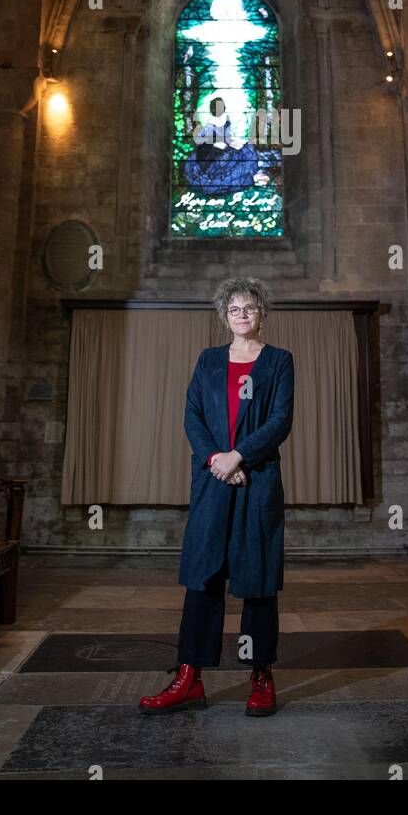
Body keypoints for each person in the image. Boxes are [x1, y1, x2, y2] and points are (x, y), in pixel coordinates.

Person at [139, 277, 294, 717]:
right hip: (212, 481)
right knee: (202, 577)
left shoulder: (279, 361)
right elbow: (192, 415)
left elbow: (280, 420)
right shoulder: (208, 360)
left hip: (257, 480)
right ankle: (189, 677)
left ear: (262, 312)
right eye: (234, 309)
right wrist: (216, 461)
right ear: (224, 316)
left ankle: (260, 675)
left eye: (249, 307)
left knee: (257, 579)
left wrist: (240, 456)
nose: (242, 314)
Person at [183, 96, 260, 194]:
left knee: (248, 148)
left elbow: (227, 136)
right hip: (211, 156)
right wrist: (218, 143)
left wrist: (234, 142)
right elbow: (203, 142)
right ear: (213, 109)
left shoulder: (226, 118)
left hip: (226, 148)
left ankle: (248, 174)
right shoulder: (209, 125)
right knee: (232, 159)